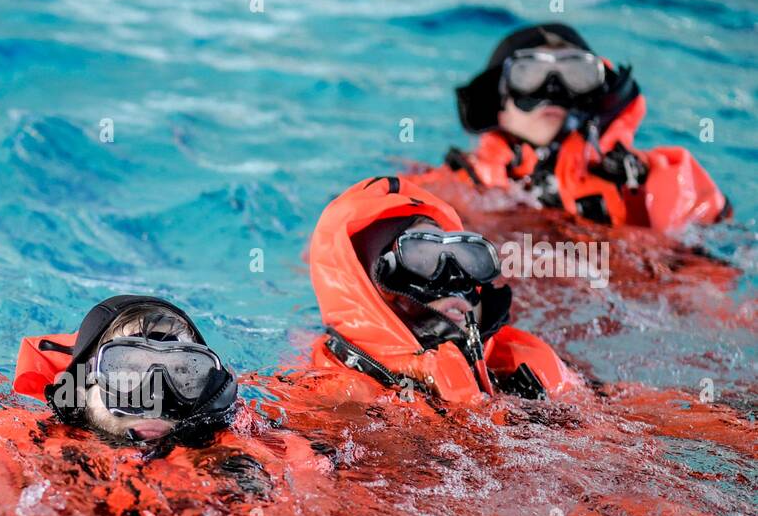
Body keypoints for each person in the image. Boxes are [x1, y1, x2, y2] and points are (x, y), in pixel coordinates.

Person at [309, 175, 579, 404]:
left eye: (464, 256)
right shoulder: (331, 400)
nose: (452, 279)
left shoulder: (521, 366)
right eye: (422, 259)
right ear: (365, 288)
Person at [441, 23, 729, 233]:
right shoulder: (452, 187)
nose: (552, 90)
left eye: (575, 74)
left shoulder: (659, 180)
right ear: (497, 104)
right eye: (528, 74)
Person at [13, 295, 237, 445]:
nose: (156, 396)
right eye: (127, 371)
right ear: (80, 388)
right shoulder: (19, 451)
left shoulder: (248, 462)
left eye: (182, 373)